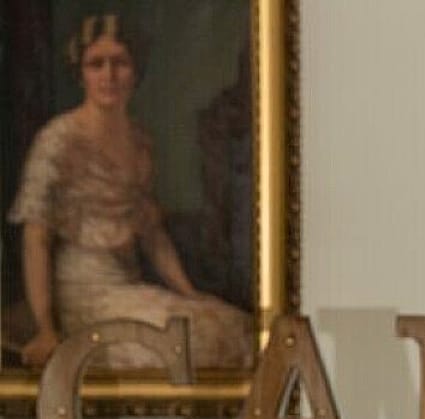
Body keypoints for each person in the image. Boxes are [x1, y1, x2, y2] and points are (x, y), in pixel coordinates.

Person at [7, 13, 254, 371]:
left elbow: (151, 233)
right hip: (81, 293)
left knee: (231, 325)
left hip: (128, 286)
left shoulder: (139, 142)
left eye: (119, 63)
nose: (108, 75)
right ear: (81, 73)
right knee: (189, 343)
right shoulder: (58, 139)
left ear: (135, 71)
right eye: (96, 64)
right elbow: (36, 237)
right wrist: (45, 327)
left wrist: (188, 292)